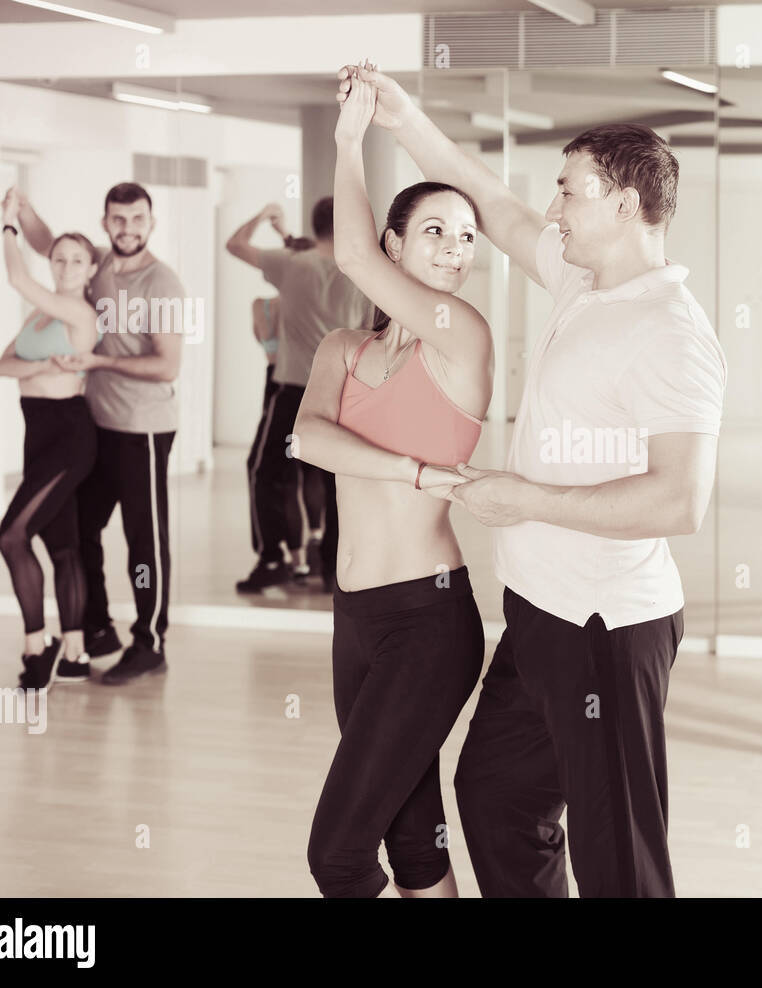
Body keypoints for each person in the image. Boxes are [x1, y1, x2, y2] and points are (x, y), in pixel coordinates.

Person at [337, 63, 726, 897]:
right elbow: (499, 205)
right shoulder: (581, 281)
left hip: (606, 629)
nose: (554, 208)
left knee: (618, 855)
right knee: (496, 794)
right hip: (540, 615)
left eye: (570, 191)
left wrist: (527, 500)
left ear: (626, 206)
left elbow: (679, 499)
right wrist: (405, 121)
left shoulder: (670, 332)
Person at [299, 64, 492, 898]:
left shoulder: (463, 336)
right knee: (414, 839)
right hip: (357, 619)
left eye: (467, 237)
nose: (456, 249)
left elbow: (345, 249)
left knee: (337, 855)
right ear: (395, 245)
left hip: (429, 619)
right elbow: (307, 439)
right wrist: (412, 469)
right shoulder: (342, 350)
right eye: (436, 232)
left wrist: (351, 138)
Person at [12, 182, 186, 685]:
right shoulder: (101, 262)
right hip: (96, 427)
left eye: (137, 220)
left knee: (143, 541)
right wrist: (22, 208)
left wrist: (98, 361)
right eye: (118, 220)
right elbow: (51, 244)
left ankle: (150, 642)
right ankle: (98, 628)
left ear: (151, 223)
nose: (127, 229)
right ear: (105, 222)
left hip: (143, 428)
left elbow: (167, 365)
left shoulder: (164, 283)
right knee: (77, 529)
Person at [226, 199, 374, 594]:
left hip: (293, 390)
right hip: (343, 392)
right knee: (335, 482)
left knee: (265, 472)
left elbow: (235, 245)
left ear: (314, 224)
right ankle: (334, 568)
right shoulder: (363, 275)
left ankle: (273, 557)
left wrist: (263, 215)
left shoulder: (292, 265)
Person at [0, 191, 99, 688]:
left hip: (69, 434)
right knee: (63, 546)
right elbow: (2, 365)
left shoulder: (80, 315)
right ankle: (75, 655)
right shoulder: (39, 318)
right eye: (59, 257)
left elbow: (16, 278)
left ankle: (36, 647)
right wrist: (37, 366)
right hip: (36, 433)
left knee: (11, 535)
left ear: (91, 269)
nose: (66, 265)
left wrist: (9, 224)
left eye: (77, 259)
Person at [244, 233, 322, 583]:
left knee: (279, 475)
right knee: (310, 473)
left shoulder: (262, 306)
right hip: (302, 383)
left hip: (280, 384)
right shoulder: (311, 304)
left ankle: (288, 557)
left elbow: (267, 345)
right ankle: (315, 545)